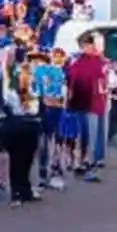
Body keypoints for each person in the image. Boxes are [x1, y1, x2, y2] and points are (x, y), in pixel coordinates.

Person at [64, 31, 106, 182]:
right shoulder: (75, 61)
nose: (86, 48)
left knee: (89, 134)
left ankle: (86, 160)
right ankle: (76, 160)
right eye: (84, 45)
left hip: (91, 103)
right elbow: (68, 79)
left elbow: (102, 81)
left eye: (88, 45)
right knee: (76, 133)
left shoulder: (97, 61)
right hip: (76, 102)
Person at [2, 60, 42, 206]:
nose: (26, 77)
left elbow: (36, 108)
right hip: (16, 125)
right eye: (22, 74)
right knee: (16, 160)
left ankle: (26, 190)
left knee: (28, 160)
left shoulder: (34, 90)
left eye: (28, 74)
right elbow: (10, 107)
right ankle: (16, 192)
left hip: (31, 125)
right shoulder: (11, 91)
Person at [31, 49, 67, 191]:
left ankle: (48, 171)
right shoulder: (55, 72)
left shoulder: (51, 72)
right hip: (49, 109)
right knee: (49, 141)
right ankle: (48, 171)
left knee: (50, 141)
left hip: (49, 109)